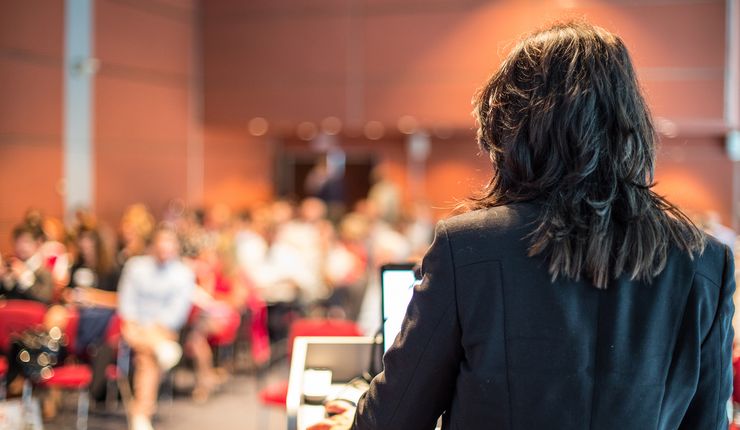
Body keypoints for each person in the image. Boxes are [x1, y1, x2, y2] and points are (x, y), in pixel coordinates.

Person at [310, 21, 734, 429]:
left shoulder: (468, 249)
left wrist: (353, 410)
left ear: (511, 130)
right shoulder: (704, 262)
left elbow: (396, 419)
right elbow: (709, 422)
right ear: (631, 124)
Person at [118, 224, 195, 430]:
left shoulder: (183, 273)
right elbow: (126, 301)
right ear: (152, 246)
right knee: (153, 351)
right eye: (160, 245)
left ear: (176, 247)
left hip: (163, 329)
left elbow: (177, 313)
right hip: (134, 327)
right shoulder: (135, 267)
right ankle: (142, 414)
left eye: (169, 245)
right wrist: (135, 323)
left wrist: (152, 330)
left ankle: (141, 414)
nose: (164, 250)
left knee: (146, 358)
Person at [0, 222, 54, 304]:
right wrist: (4, 279)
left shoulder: (44, 271)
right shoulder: (11, 265)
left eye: (26, 242)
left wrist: (23, 276)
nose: (21, 246)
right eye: (18, 242)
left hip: (34, 314)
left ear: (37, 243)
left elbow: (45, 298)